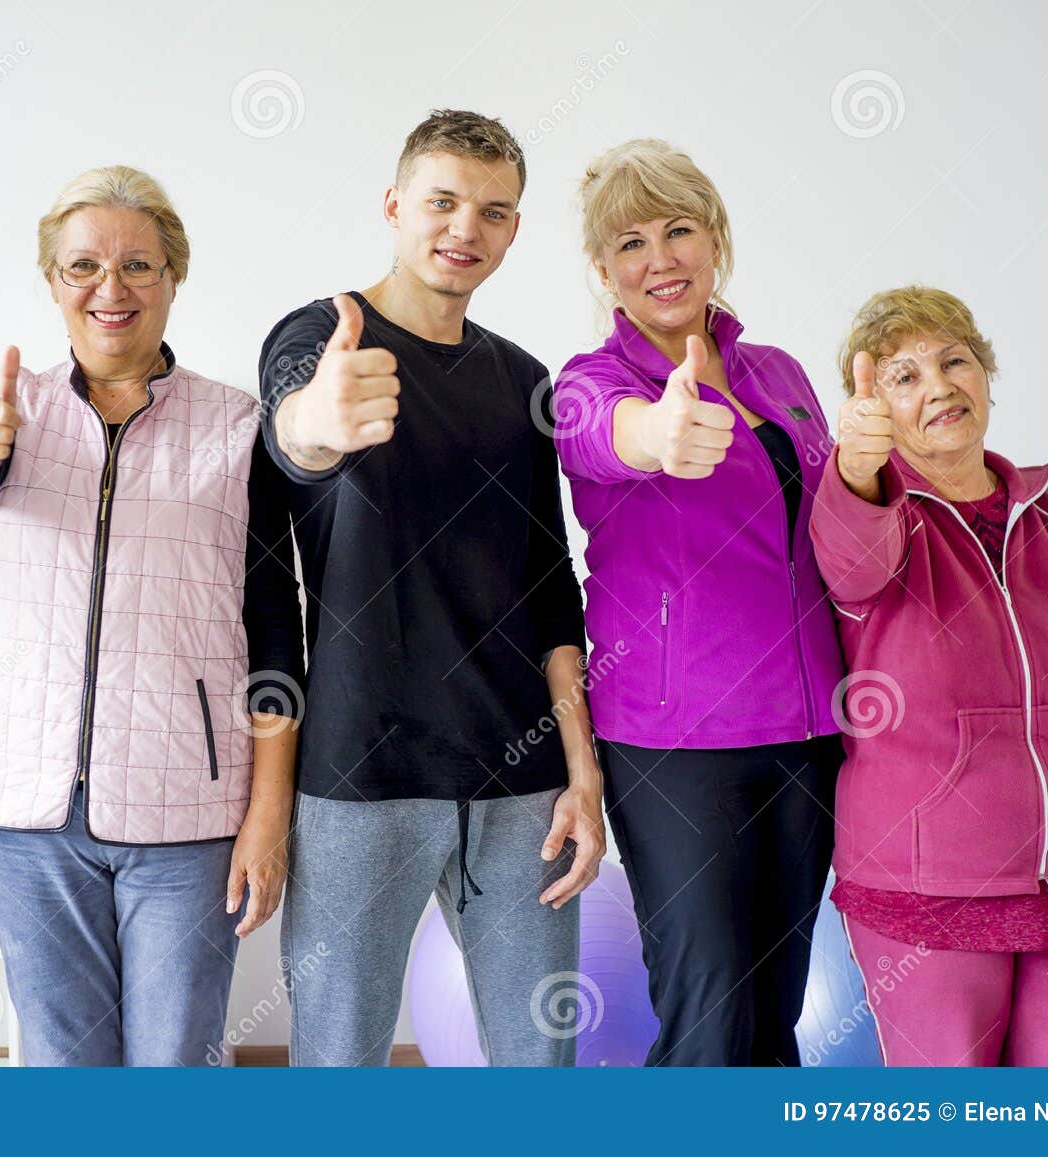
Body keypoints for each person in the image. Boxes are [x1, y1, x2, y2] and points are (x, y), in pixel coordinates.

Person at [0, 165, 305, 1067]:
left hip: (191, 807)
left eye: (139, 264)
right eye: (82, 266)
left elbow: (275, 625)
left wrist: (267, 812)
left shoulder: (239, 427)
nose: (111, 288)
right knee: (65, 1063)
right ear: (52, 281)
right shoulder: (3, 412)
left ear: (175, 276)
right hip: (28, 806)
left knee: (176, 1061)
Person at [261, 109, 603, 1067]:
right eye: (443, 202)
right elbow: (297, 437)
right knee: (340, 1063)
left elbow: (551, 586)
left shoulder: (525, 380)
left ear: (515, 229)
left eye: (493, 211)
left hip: (520, 784)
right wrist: (323, 418)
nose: (465, 228)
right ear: (394, 205)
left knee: (540, 1068)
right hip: (361, 777)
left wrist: (582, 773)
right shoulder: (321, 338)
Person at [812, 285, 1048, 1066]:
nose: (940, 385)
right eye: (904, 376)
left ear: (987, 374)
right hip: (927, 895)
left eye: (956, 360)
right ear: (873, 404)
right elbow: (849, 560)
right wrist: (853, 465)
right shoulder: (872, 515)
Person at [553, 139, 846, 1065]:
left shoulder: (783, 376)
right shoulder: (592, 385)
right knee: (711, 1012)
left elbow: (834, 528)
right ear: (604, 270)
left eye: (679, 229)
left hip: (807, 730)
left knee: (774, 1011)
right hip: (675, 743)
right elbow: (608, 438)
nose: (660, 258)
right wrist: (657, 432)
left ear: (715, 239)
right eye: (631, 242)